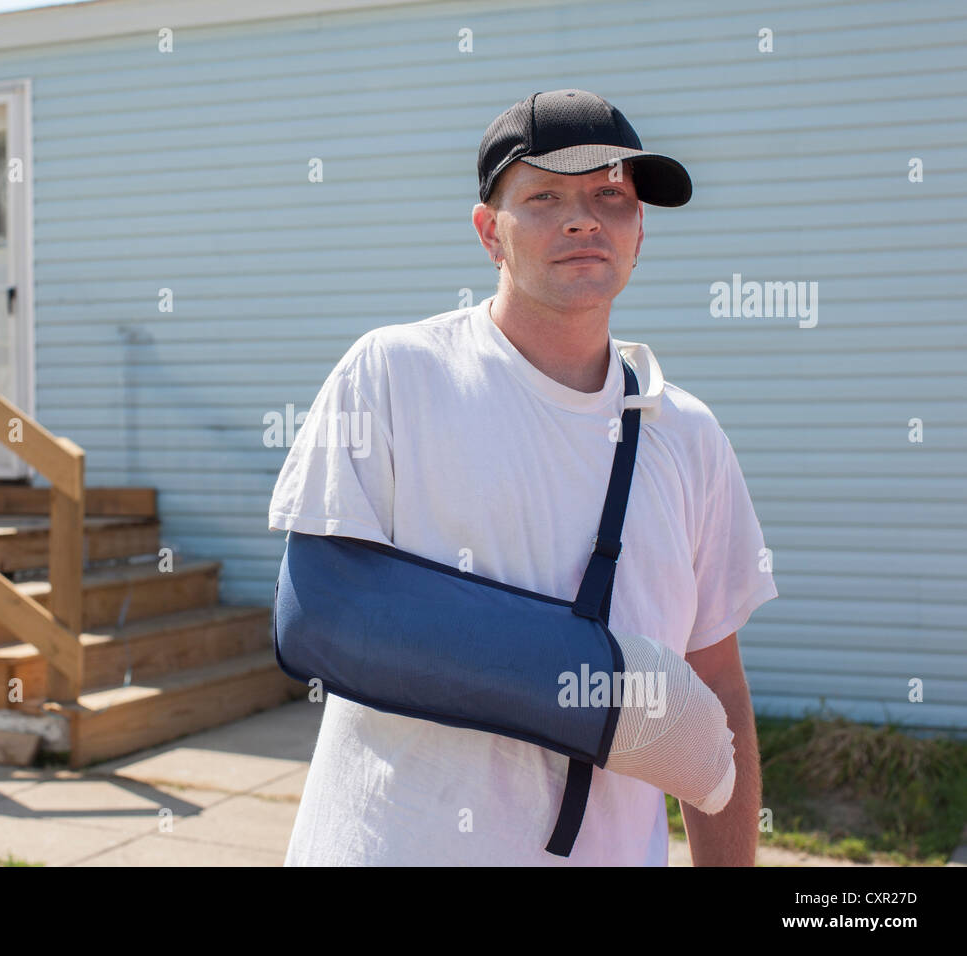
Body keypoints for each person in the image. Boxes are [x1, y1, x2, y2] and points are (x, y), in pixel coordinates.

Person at [267, 89, 778, 866]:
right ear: (489, 234)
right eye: (544, 197)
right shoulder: (396, 375)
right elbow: (323, 614)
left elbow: (719, 694)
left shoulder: (691, 438)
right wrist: (618, 696)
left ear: (640, 230)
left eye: (611, 195)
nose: (584, 219)